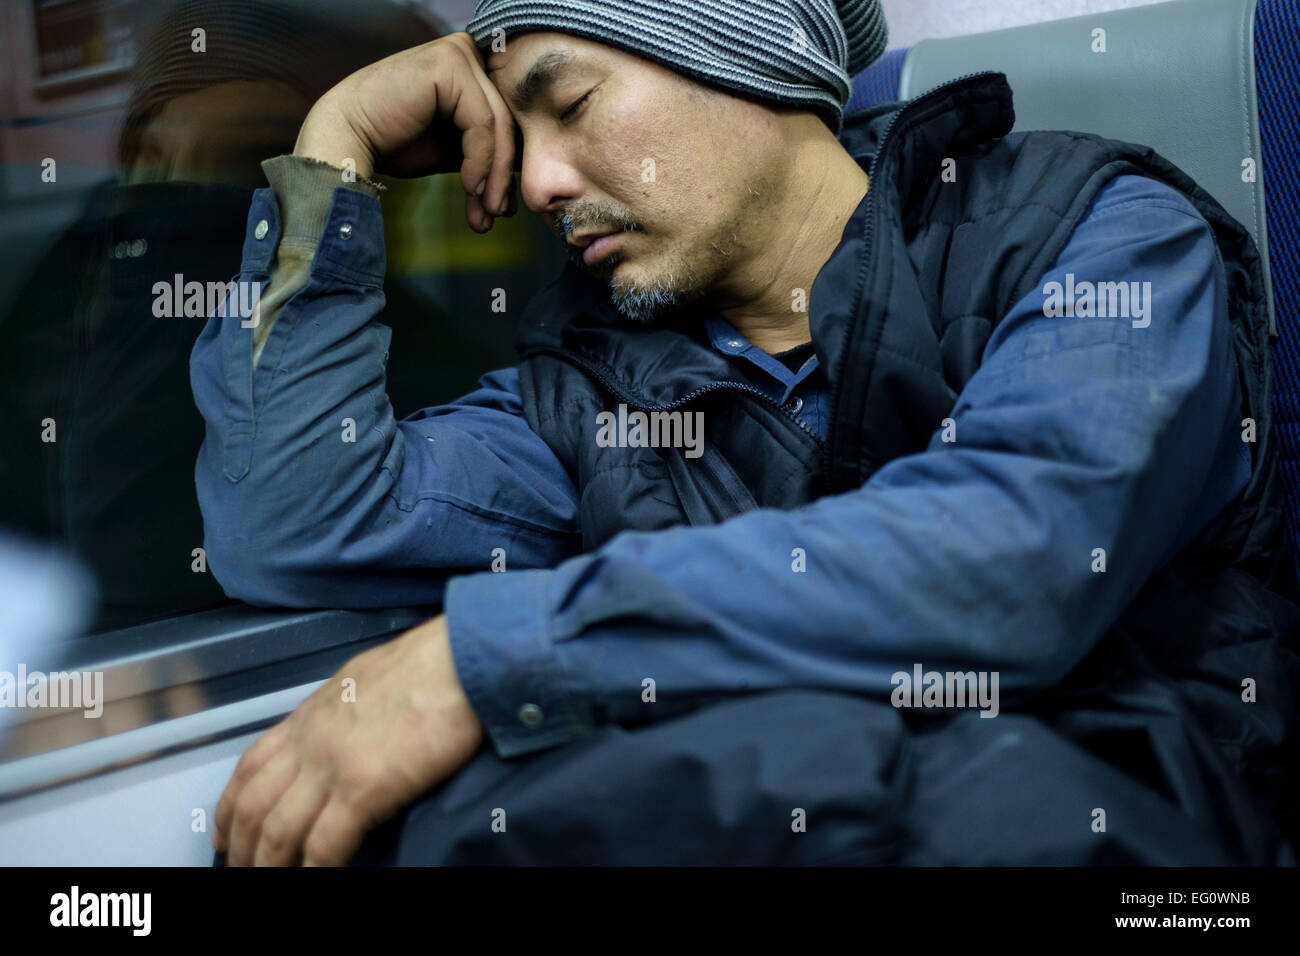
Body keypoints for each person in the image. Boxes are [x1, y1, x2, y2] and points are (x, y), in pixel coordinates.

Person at [194, 0, 1300, 866]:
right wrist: (331, 156)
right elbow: (289, 519)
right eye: (515, 136)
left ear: (751, 49)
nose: (534, 183)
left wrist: (493, 652)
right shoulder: (584, 387)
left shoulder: (1097, 233)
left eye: (568, 105)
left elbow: (1017, 558)